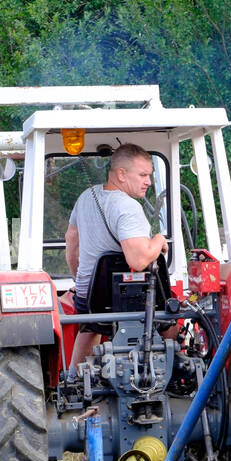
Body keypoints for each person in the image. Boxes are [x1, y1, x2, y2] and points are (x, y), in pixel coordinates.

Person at [64, 144, 169, 369]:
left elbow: (71, 241)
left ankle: (74, 379)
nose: (148, 182)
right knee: (171, 317)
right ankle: (169, 379)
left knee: (90, 326)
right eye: (142, 175)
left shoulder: (85, 198)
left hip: (89, 301)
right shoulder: (128, 207)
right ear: (121, 174)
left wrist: (82, 283)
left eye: (149, 175)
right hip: (124, 303)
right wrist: (159, 239)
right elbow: (139, 261)